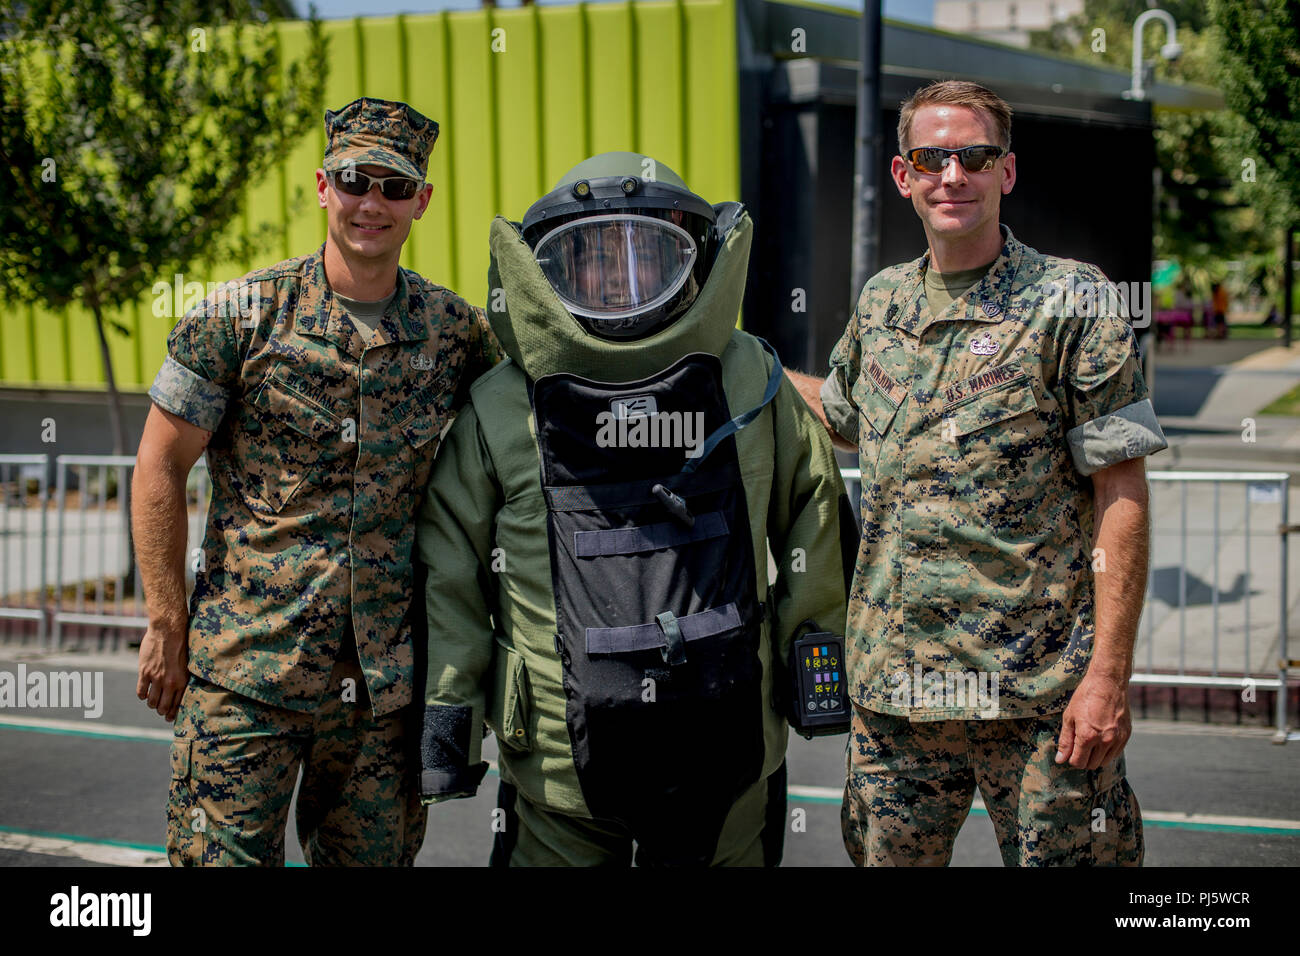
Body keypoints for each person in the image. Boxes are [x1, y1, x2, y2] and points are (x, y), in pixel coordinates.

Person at [415, 152, 851, 866]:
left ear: (697, 259)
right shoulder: (502, 406)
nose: (621, 277)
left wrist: (813, 661)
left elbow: (816, 517)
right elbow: (450, 581)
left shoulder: (751, 379)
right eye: (592, 257)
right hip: (563, 767)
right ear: (549, 273)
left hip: (724, 754)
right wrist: (449, 727)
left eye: (649, 254)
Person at [786, 80, 1168, 866]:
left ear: (1007, 171)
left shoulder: (1075, 299)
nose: (952, 175)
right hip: (897, 699)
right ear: (903, 175)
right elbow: (845, 416)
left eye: (974, 156)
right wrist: (740, 362)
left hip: (1039, 700)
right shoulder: (881, 302)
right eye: (932, 157)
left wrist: (1108, 677)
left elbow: (1121, 492)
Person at [133, 97, 500, 866]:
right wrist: (166, 622)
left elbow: (517, 439)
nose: (373, 202)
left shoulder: (454, 332)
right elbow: (160, 464)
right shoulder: (243, 318)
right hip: (243, 678)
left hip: (381, 695)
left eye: (395, 187)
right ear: (323, 186)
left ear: (421, 202)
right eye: (354, 179)